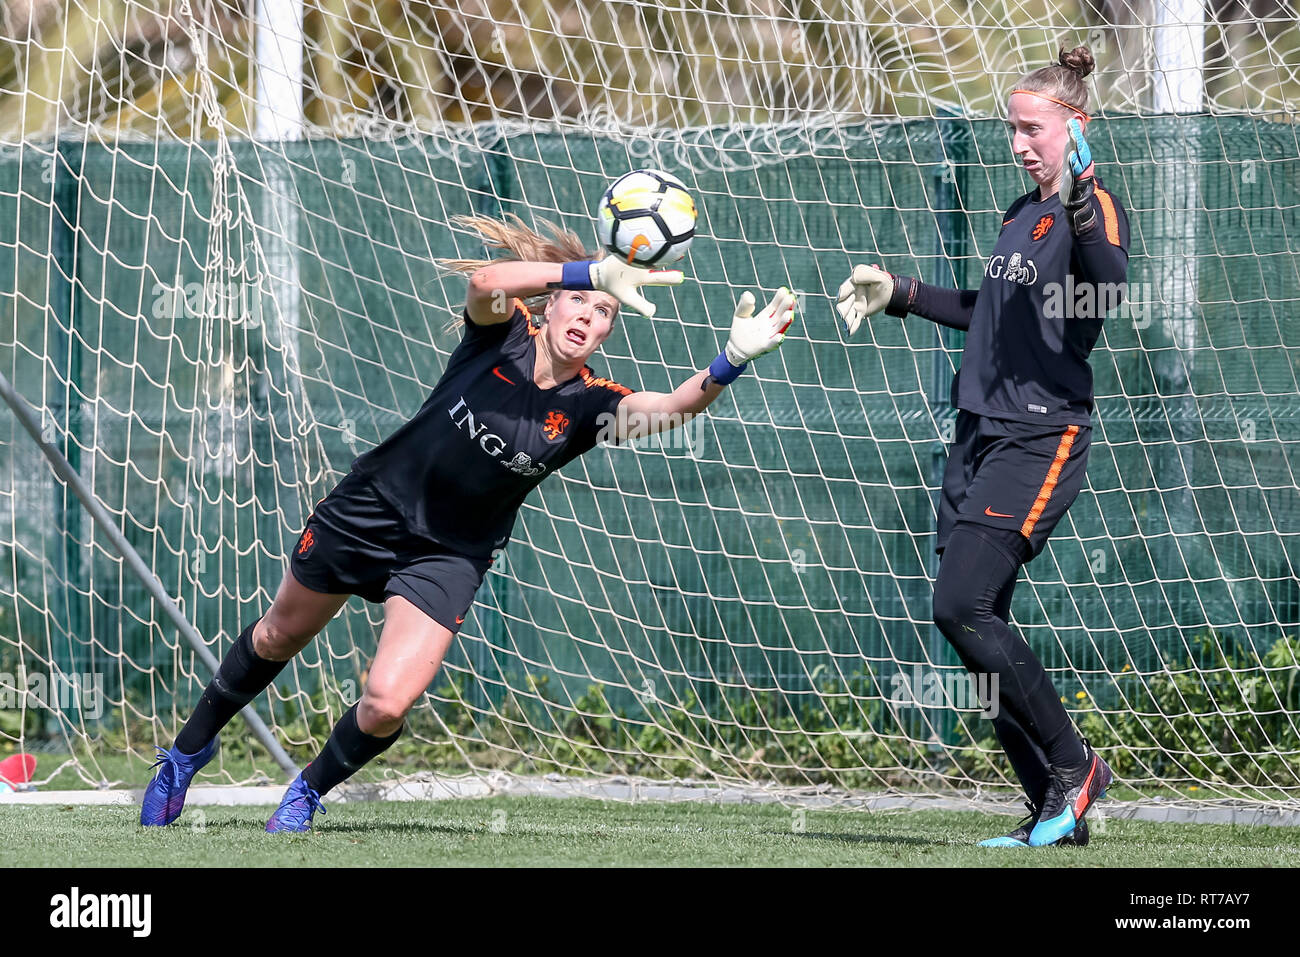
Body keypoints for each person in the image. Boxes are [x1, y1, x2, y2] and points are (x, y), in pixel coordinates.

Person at [141, 213, 796, 832]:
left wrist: (732, 359)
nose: (589, 317)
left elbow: (673, 407)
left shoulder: (592, 405)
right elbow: (485, 282)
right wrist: (588, 273)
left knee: (386, 704)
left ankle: (309, 788)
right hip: (372, 506)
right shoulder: (499, 333)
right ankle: (186, 753)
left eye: (604, 314)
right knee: (279, 635)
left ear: (604, 335)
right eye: (582, 302)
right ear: (552, 306)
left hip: (449, 555)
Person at [836, 45, 1126, 847]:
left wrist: (1079, 195)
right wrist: (902, 292)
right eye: (1013, 128)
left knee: (958, 603)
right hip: (978, 436)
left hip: (1040, 434)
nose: (1020, 143)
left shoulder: (1092, 209)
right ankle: (1052, 809)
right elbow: (987, 308)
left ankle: (1077, 765)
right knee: (973, 623)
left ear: (1076, 126)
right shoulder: (1015, 214)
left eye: (1034, 128)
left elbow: (1107, 278)